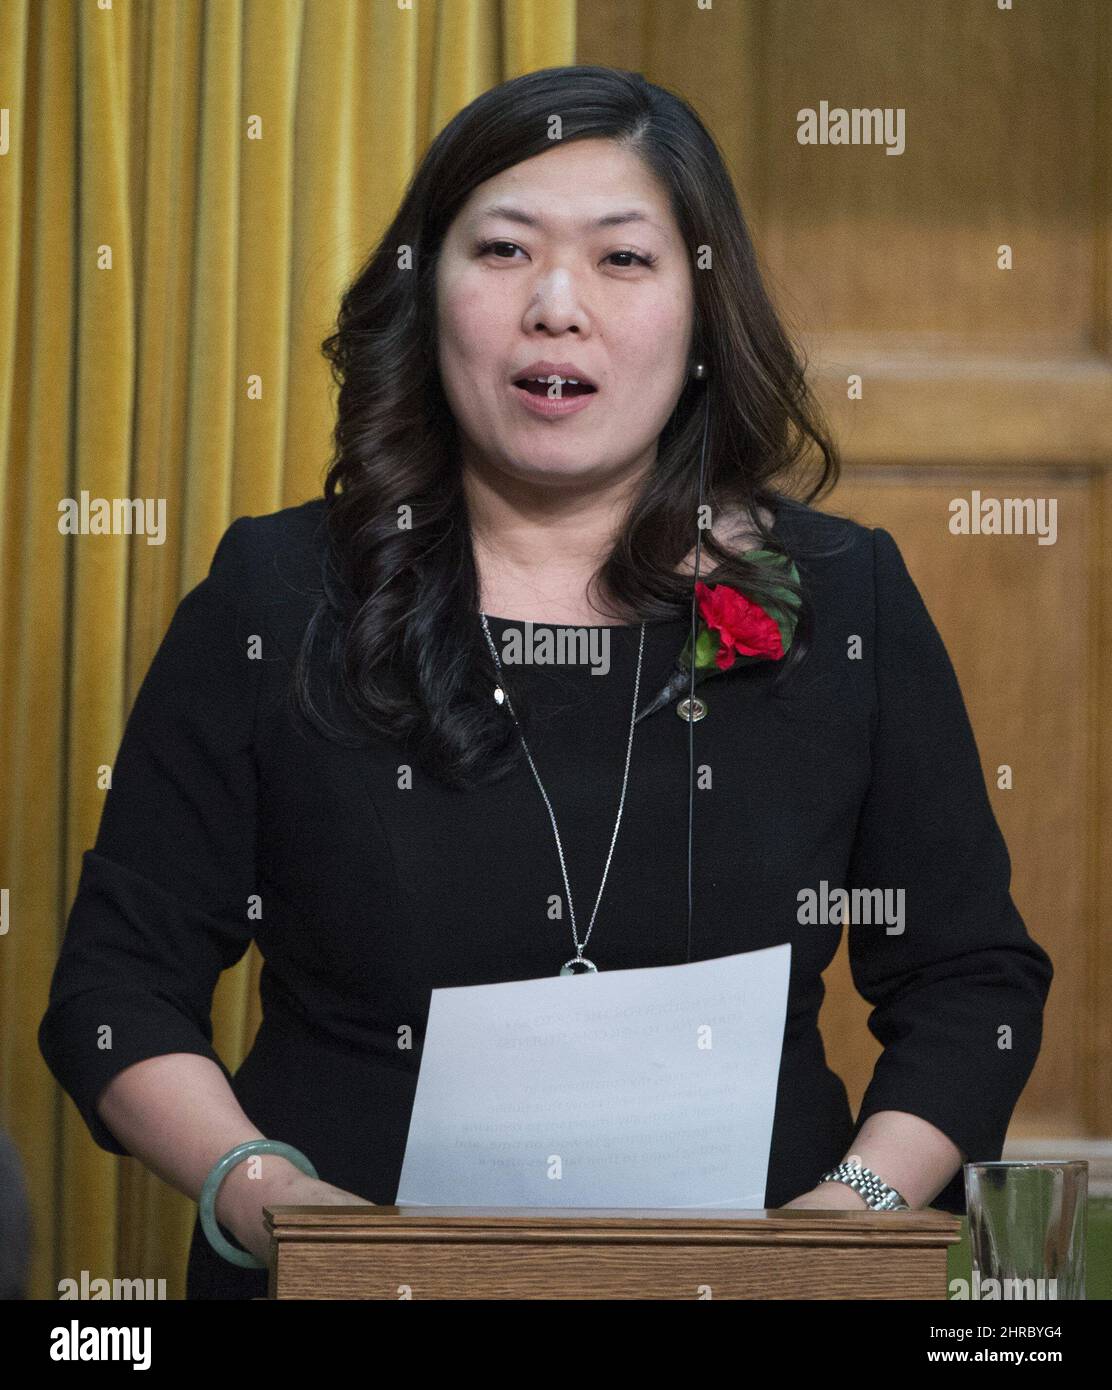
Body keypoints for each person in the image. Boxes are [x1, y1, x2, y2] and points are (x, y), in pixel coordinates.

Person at [39, 65, 1053, 1300]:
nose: (555, 307)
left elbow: (967, 983)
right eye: (504, 251)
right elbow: (114, 990)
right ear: (426, 297)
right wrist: (274, 1199)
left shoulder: (841, 599)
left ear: (697, 314)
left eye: (622, 260)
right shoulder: (277, 592)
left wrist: (842, 1224)